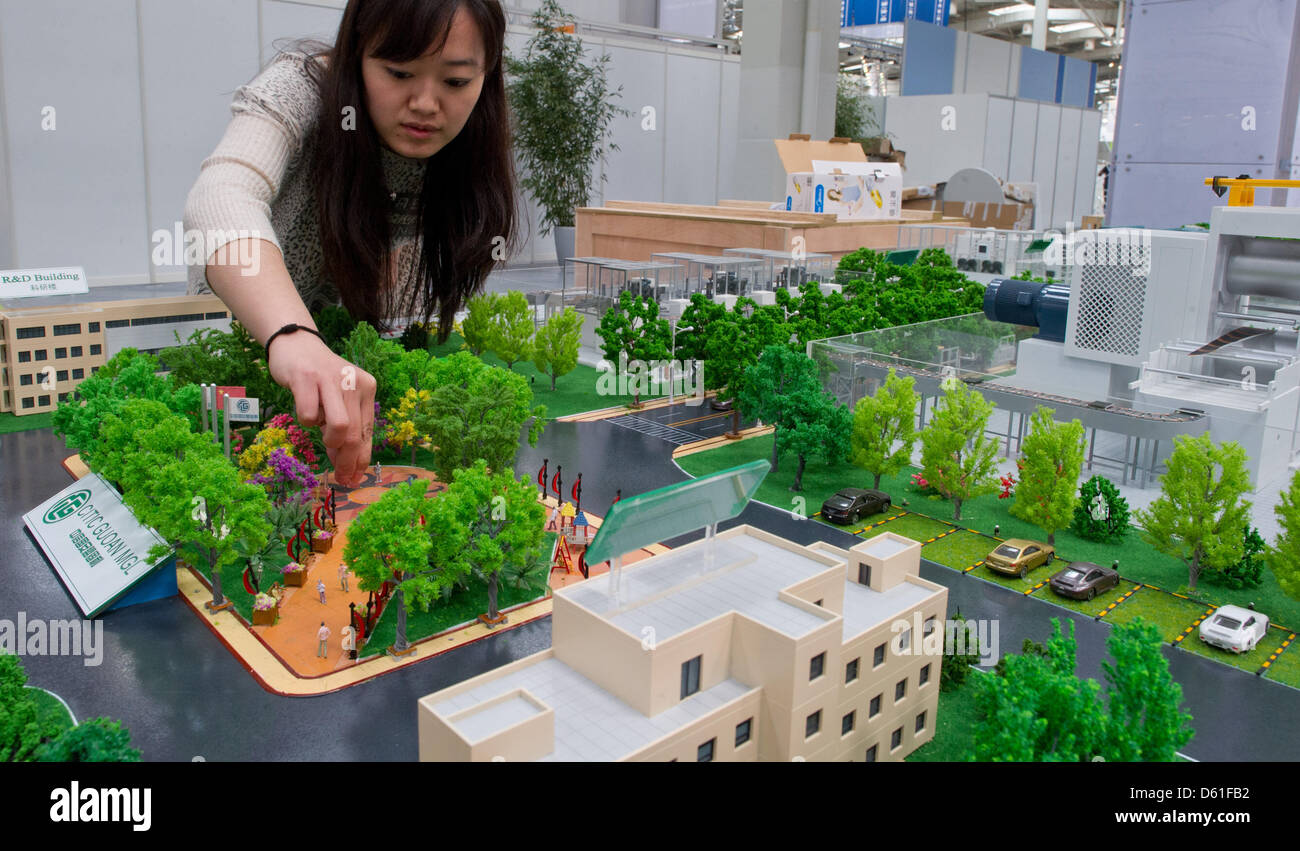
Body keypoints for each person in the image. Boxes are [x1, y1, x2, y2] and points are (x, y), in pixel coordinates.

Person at [184, 0, 519, 488]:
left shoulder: (470, 145)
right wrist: (292, 336)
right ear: (355, 53)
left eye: (456, 81)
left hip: (347, 364)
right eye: (399, 72)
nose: (426, 103)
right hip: (249, 337)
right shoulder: (298, 90)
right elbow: (220, 196)